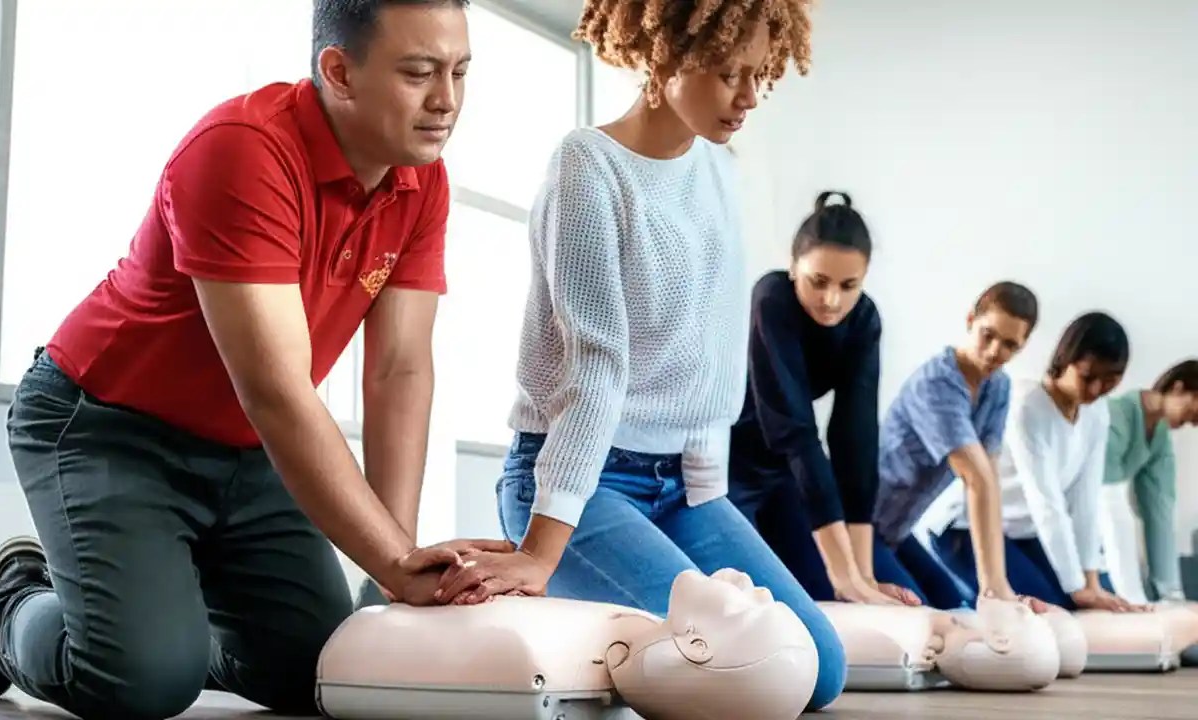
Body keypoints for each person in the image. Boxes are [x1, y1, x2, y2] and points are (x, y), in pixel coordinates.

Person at [0, 2, 514, 718]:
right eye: (418, 74)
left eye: (460, 72)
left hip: (248, 451)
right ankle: (12, 603)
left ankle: (167, 631)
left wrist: (394, 563)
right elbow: (276, 390)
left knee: (320, 670)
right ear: (338, 71)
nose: (447, 101)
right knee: (140, 682)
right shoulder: (243, 150)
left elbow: (398, 368)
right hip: (108, 426)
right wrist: (394, 566)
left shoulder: (418, 181)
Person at [432, 0, 847, 711]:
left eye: (759, 76)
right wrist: (542, 548)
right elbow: (596, 371)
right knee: (740, 664)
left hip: (682, 490)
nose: (748, 97)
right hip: (576, 482)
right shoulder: (587, 167)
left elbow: (713, 357)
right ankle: (511, 577)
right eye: (726, 74)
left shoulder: (720, 169)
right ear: (662, 55)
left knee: (820, 667)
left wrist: (707, 493)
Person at [726, 191, 919, 607]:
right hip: (728, 469)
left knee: (883, 595)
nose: (833, 300)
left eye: (849, 286)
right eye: (819, 281)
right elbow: (796, 432)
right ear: (794, 266)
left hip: (789, 475)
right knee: (761, 601)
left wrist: (863, 578)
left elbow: (857, 442)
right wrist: (843, 574)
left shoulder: (865, 319)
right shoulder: (772, 297)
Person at [923, 312, 1147, 612]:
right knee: (1054, 611)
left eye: (1109, 381)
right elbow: (1047, 504)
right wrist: (1077, 588)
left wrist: (1090, 582)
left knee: (1088, 602)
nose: (1095, 390)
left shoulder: (1097, 413)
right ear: (1065, 360)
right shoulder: (1027, 406)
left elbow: (1085, 499)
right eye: (1087, 377)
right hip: (964, 528)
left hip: (1020, 532)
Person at [869, 282, 1041, 610]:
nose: (994, 352)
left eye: (1009, 345)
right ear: (969, 320)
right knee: (921, 614)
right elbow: (975, 478)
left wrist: (995, 585)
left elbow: (989, 479)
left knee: (953, 605)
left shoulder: (999, 387)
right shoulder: (937, 383)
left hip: (897, 532)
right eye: (987, 335)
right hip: (861, 526)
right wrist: (994, 587)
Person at [1100, 360, 1198, 604]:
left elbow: (1159, 511)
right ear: (1178, 388)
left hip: (1104, 539)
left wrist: (1171, 594)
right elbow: (1108, 503)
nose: (1195, 422)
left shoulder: (1160, 439)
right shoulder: (1114, 415)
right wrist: (1133, 597)